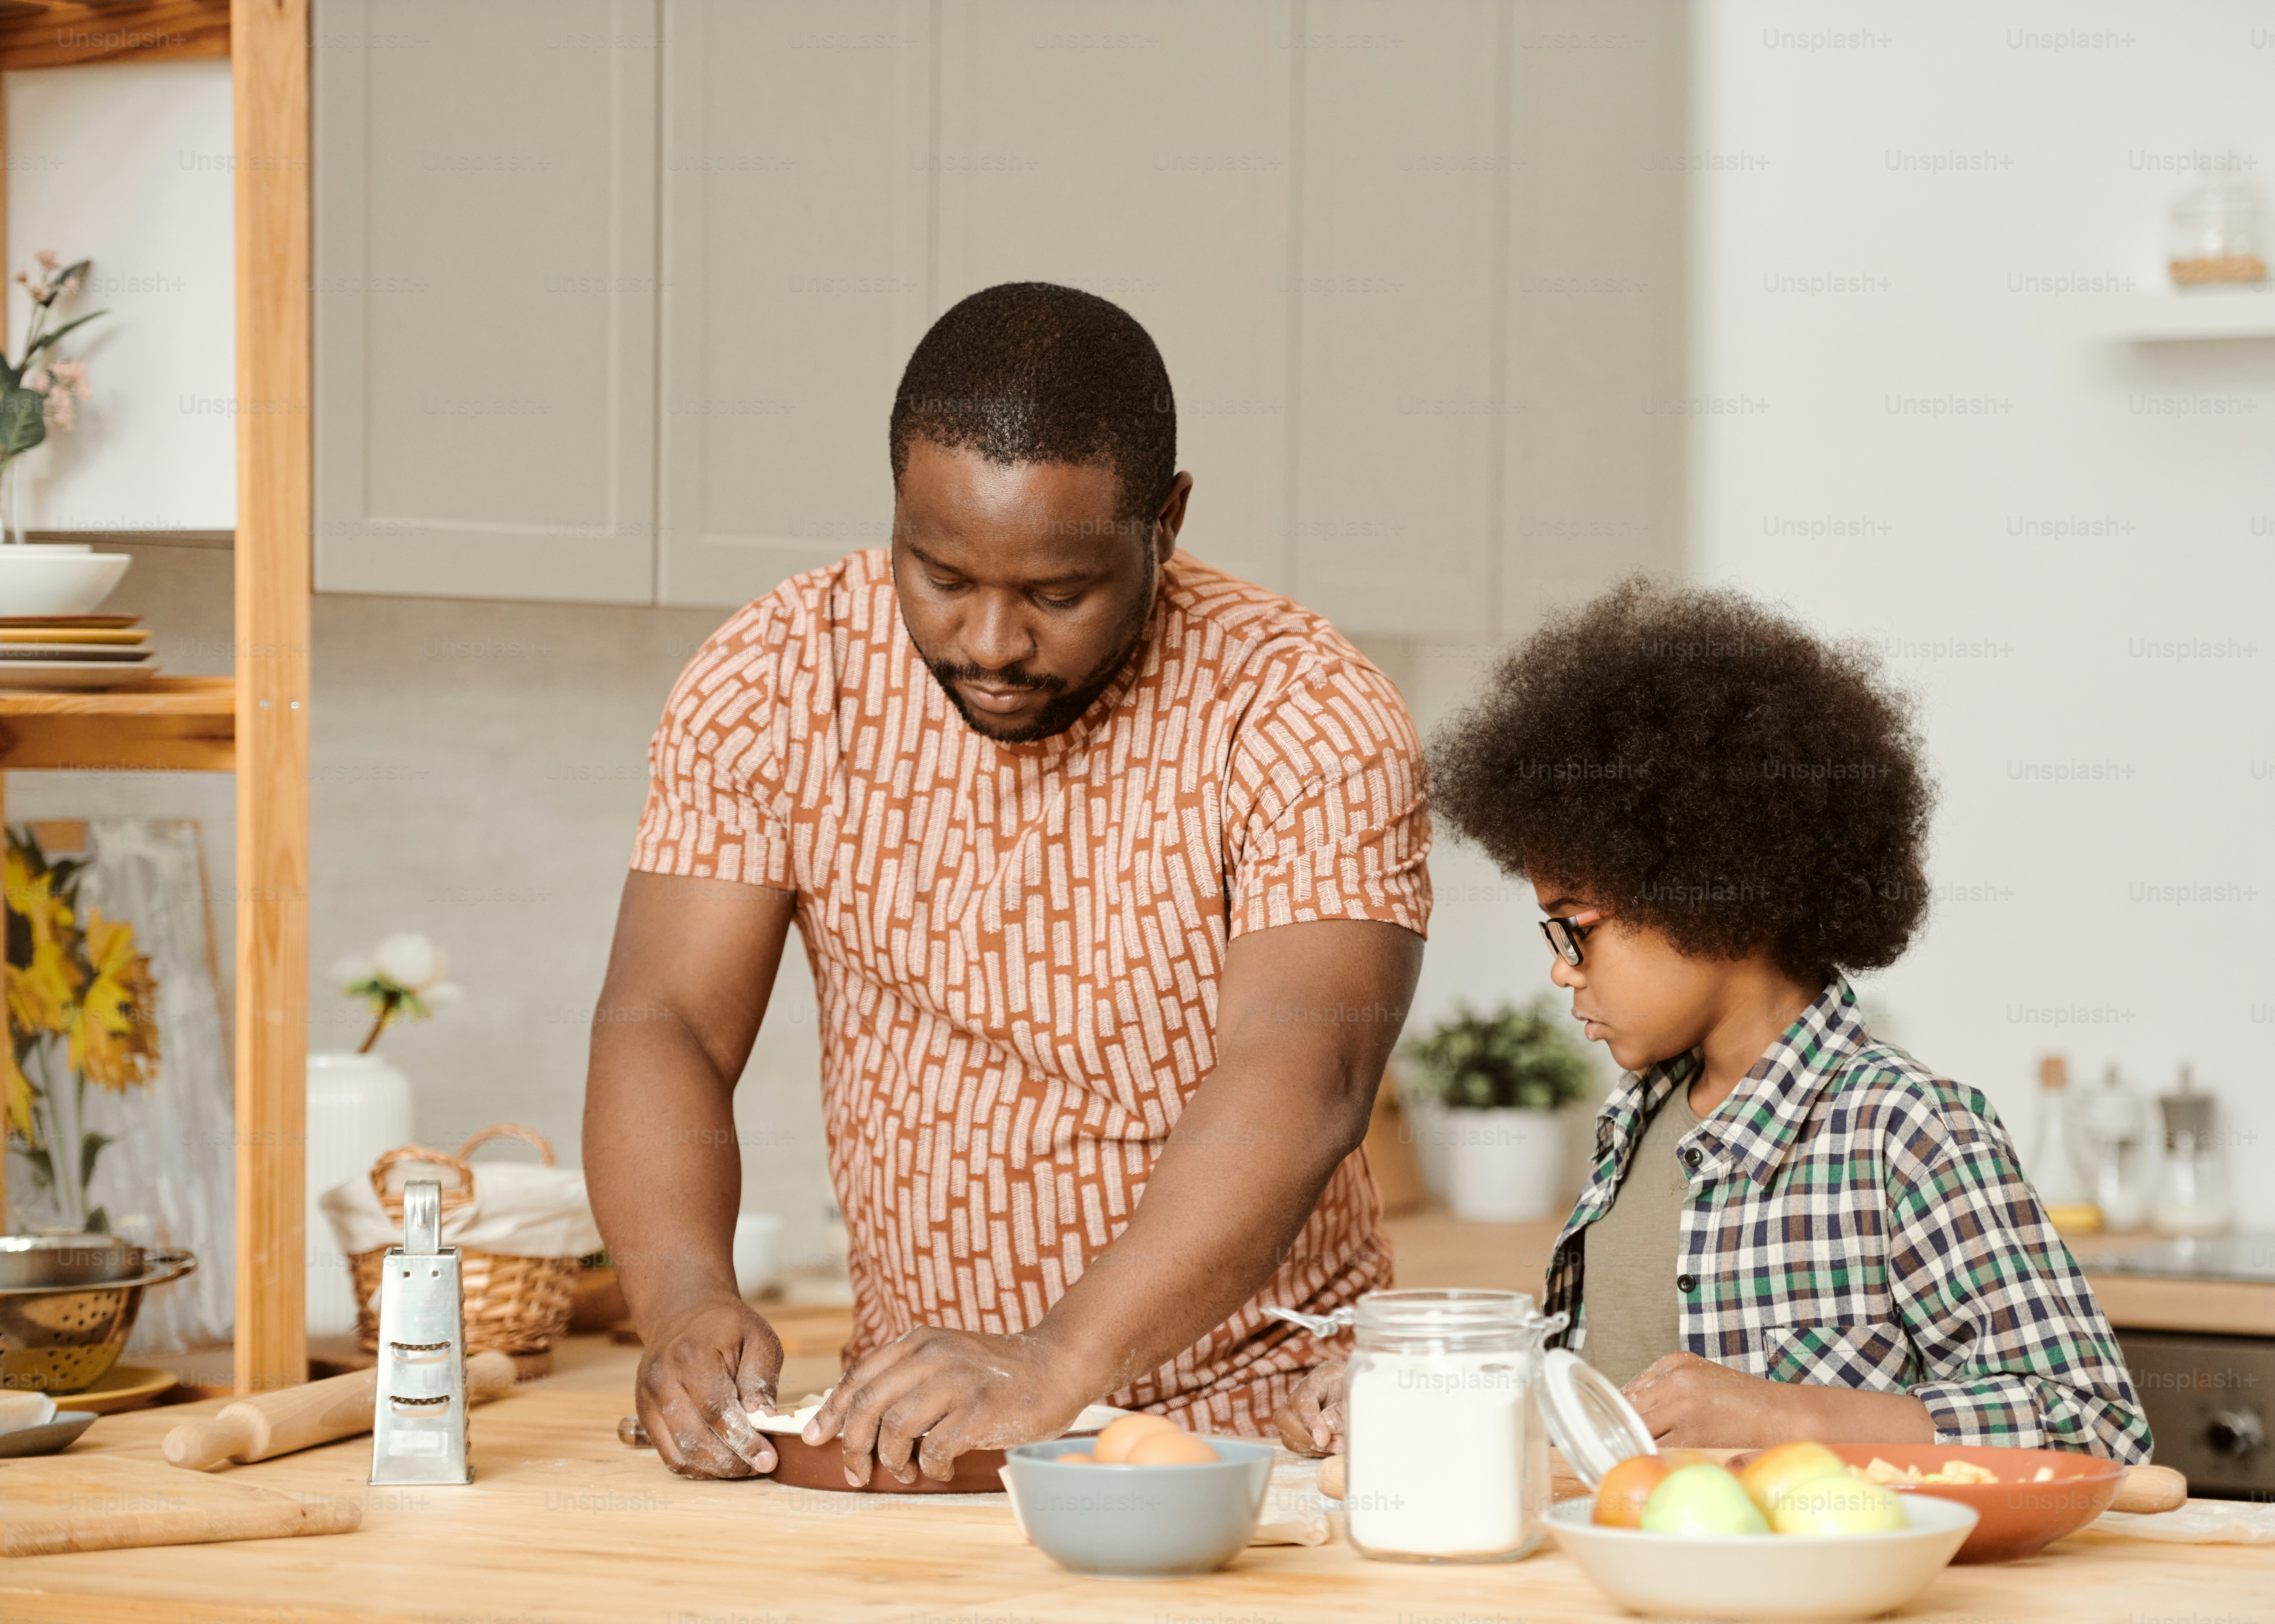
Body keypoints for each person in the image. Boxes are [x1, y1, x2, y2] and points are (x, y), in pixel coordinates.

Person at [585, 282, 1429, 1487]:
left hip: (1265, 1429)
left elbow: (1309, 1071)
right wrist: (682, 1298)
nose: (989, 641)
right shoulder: (776, 675)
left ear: (1168, 520)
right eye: (938, 572)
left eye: (1056, 593)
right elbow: (665, 1017)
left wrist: (1056, 1358)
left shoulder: (1305, 711)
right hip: (918, 1428)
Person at [1280, 578, 2150, 1463]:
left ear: (1716, 892)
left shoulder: (1908, 1132)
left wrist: (1791, 1419)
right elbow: (1596, 1405)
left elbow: (2096, 1426)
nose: (1559, 968)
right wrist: (1398, 1391)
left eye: (1577, 929)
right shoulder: (1637, 1121)